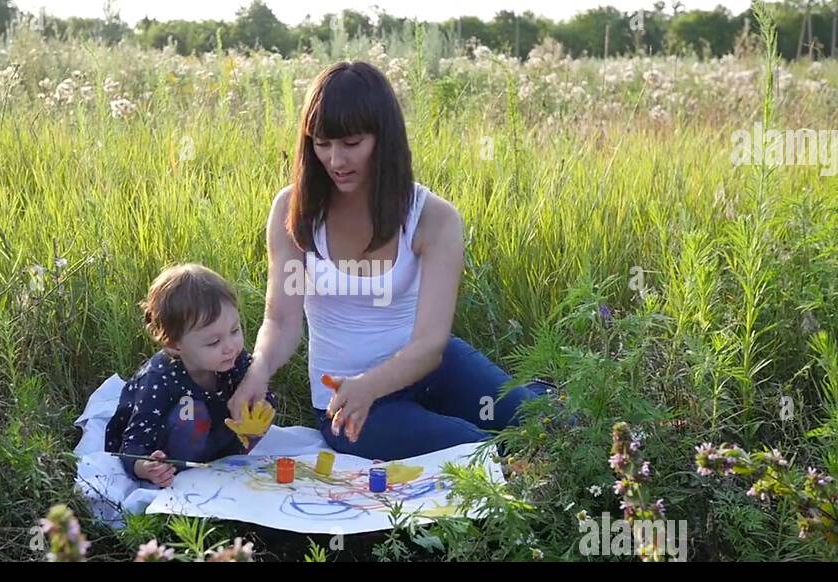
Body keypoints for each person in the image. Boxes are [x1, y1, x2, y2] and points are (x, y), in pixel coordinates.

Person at [227, 60, 551, 461]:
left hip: (430, 367)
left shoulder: (433, 218)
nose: (335, 160)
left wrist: (373, 382)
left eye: (351, 143)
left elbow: (431, 345)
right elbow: (281, 319)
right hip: (346, 399)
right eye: (322, 143)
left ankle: (538, 397)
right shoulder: (295, 211)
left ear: (384, 138)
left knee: (547, 428)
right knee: (477, 451)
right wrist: (258, 370)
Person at [104, 263, 276, 487]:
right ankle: (184, 467)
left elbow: (263, 393)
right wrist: (145, 467)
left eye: (235, 330)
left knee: (261, 404)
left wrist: (258, 409)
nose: (230, 346)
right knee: (193, 414)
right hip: (170, 451)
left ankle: (230, 457)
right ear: (175, 345)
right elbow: (134, 441)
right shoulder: (159, 379)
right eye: (214, 341)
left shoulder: (234, 359)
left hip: (221, 443)